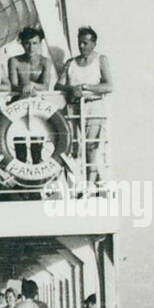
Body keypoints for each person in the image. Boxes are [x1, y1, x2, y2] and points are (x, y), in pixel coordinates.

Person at [61, 26, 114, 187]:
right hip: (74, 108)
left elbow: (108, 86)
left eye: (85, 43)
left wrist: (86, 88)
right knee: (74, 147)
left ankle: (90, 184)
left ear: (93, 44)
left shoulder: (101, 59)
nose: (81, 46)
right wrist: (72, 89)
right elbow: (59, 85)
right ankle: (80, 182)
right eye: (79, 43)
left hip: (94, 107)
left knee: (91, 146)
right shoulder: (71, 63)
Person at [8, 27, 57, 97]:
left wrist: (32, 85)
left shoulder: (45, 62)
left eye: (34, 43)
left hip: (39, 99)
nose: (31, 48)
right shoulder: (14, 61)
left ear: (40, 43)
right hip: (19, 99)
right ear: (22, 44)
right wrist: (23, 88)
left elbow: (45, 86)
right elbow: (13, 86)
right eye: (27, 43)